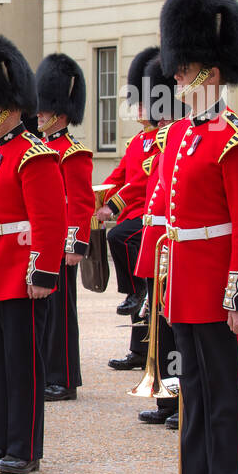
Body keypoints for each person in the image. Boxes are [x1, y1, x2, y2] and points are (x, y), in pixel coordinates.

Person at [141, 0, 238, 474]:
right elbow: (168, 216)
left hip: (218, 284)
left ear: (211, 74)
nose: (176, 79)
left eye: (186, 70)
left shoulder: (237, 140)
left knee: (222, 391)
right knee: (191, 387)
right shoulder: (177, 136)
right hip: (184, 282)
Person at [0, 34, 65, 474]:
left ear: (10, 105)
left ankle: (25, 446)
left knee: (23, 366)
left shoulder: (33, 155)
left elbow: (49, 221)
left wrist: (42, 273)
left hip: (21, 275)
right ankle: (0, 439)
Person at [101, 46, 164, 372]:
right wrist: (97, 198)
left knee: (119, 238)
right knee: (144, 289)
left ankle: (132, 290)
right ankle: (139, 351)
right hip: (136, 215)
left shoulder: (162, 140)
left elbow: (140, 183)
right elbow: (119, 175)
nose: (138, 108)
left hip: (147, 217)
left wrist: (113, 206)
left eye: (143, 102)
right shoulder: (138, 142)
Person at [132, 54, 186, 429]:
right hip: (159, 245)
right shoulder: (164, 145)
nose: (160, 120)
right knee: (161, 328)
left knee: (176, 329)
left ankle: (182, 398)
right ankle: (167, 396)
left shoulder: (182, 142)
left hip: (177, 246)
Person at [34, 53, 92, 402]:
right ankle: (46, 372)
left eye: (45, 109)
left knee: (62, 314)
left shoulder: (72, 152)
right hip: (43, 241)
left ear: (60, 112)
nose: (38, 114)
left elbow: (81, 203)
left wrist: (75, 244)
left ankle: (65, 378)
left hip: (62, 244)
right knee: (44, 312)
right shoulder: (41, 149)